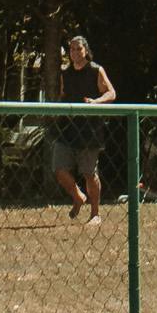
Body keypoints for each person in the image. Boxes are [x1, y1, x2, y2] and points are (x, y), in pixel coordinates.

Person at [48, 28, 115, 220]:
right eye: (72, 50)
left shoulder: (95, 70)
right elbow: (63, 95)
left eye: (78, 49)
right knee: (59, 169)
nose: (75, 53)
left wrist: (96, 102)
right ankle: (78, 197)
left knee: (88, 172)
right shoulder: (65, 73)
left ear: (85, 50)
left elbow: (111, 93)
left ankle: (95, 214)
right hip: (67, 127)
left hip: (90, 129)